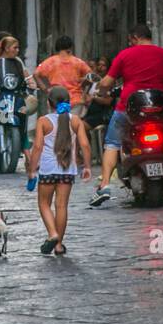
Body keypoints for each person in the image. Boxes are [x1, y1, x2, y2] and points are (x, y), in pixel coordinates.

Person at [89, 23, 163, 207]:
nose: (130, 44)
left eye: (130, 41)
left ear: (135, 38)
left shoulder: (125, 55)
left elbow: (106, 83)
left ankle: (104, 185)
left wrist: (102, 92)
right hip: (160, 110)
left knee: (112, 143)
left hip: (129, 108)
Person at [27, 85, 91, 255]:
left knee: (44, 204)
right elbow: (84, 144)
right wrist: (87, 167)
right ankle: (59, 245)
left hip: (48, 170)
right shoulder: (76, 121)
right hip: (67, 170)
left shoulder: (43, 121)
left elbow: (38, 146)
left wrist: (32, 169)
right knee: (61, 206)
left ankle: (52, 234)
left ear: (49, 103)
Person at [32, 36, 92, 117]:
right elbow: (91, 76)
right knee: (72, 127)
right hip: (75, 100)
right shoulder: (78, 62)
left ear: (57, 48)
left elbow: (35, 74)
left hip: (55, 100)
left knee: (56, 126)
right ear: (70, 47)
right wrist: (84, 89)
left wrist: (46, 89)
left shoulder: (50, 61)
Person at [83, 57, 113, 164]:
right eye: (99, 65)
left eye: (103, 65)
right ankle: (87, 154)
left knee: (80, 126)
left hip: (101, 114)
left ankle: (87, 155)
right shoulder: (94, 81)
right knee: (76, 124)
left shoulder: (108, 83)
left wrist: (94, 98)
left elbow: (108, 101)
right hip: (89, 112)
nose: (101, 67)